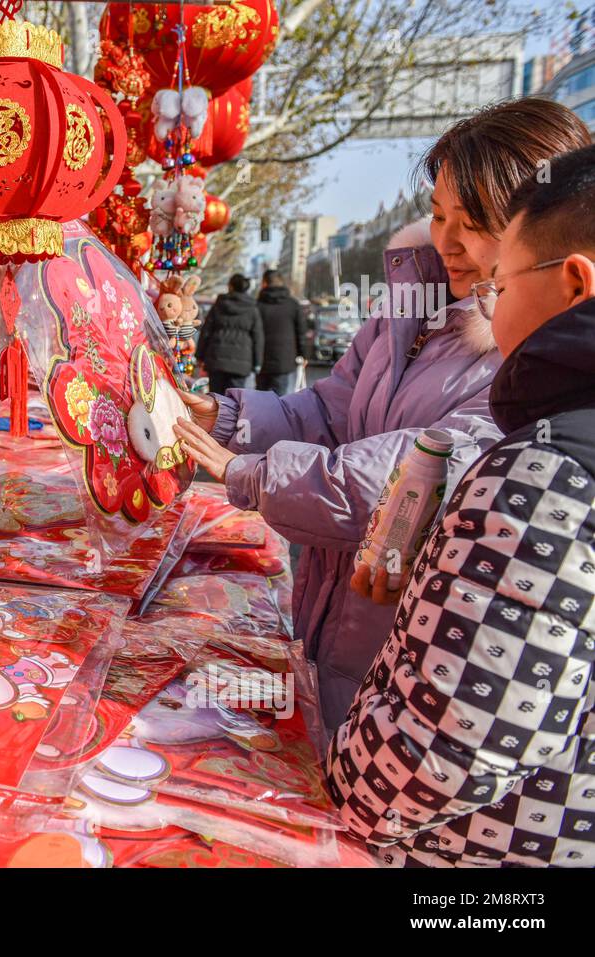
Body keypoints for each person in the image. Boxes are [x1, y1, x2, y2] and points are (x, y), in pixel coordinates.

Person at [173, 97, 591, 728]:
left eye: (472, 222)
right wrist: (226, 416)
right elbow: (332, 407)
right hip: (334, 601)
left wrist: (248, 472)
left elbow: (413, 477)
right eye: (437, 214)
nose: (447, 241)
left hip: (415, 658)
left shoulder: (528, 344)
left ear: (537, 226)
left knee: (367, 781)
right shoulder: (410, 304)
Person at [327, 143, 595, 868]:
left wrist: (344, 768)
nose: (486, 293)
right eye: (437, 215)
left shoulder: (548, 473)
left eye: (502, 282)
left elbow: (429, 759)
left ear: (574, 284)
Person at [194, 273, 262, 395]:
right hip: (241, 364)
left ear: (230, 286)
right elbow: (258, 337)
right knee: (235, 400)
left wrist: (200, 355)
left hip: (216, 359)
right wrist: (257, 363)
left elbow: (206, 331)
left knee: (216, 399)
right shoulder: (253, 309)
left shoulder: (219, 305)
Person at [254, 270, 307, 395]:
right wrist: (303, 354)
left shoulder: (257, 305)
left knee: (260, 397)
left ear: (264, 284)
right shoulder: (293, 304)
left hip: (261, 359)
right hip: (284, 359)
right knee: (279, 397)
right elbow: (301, 332)